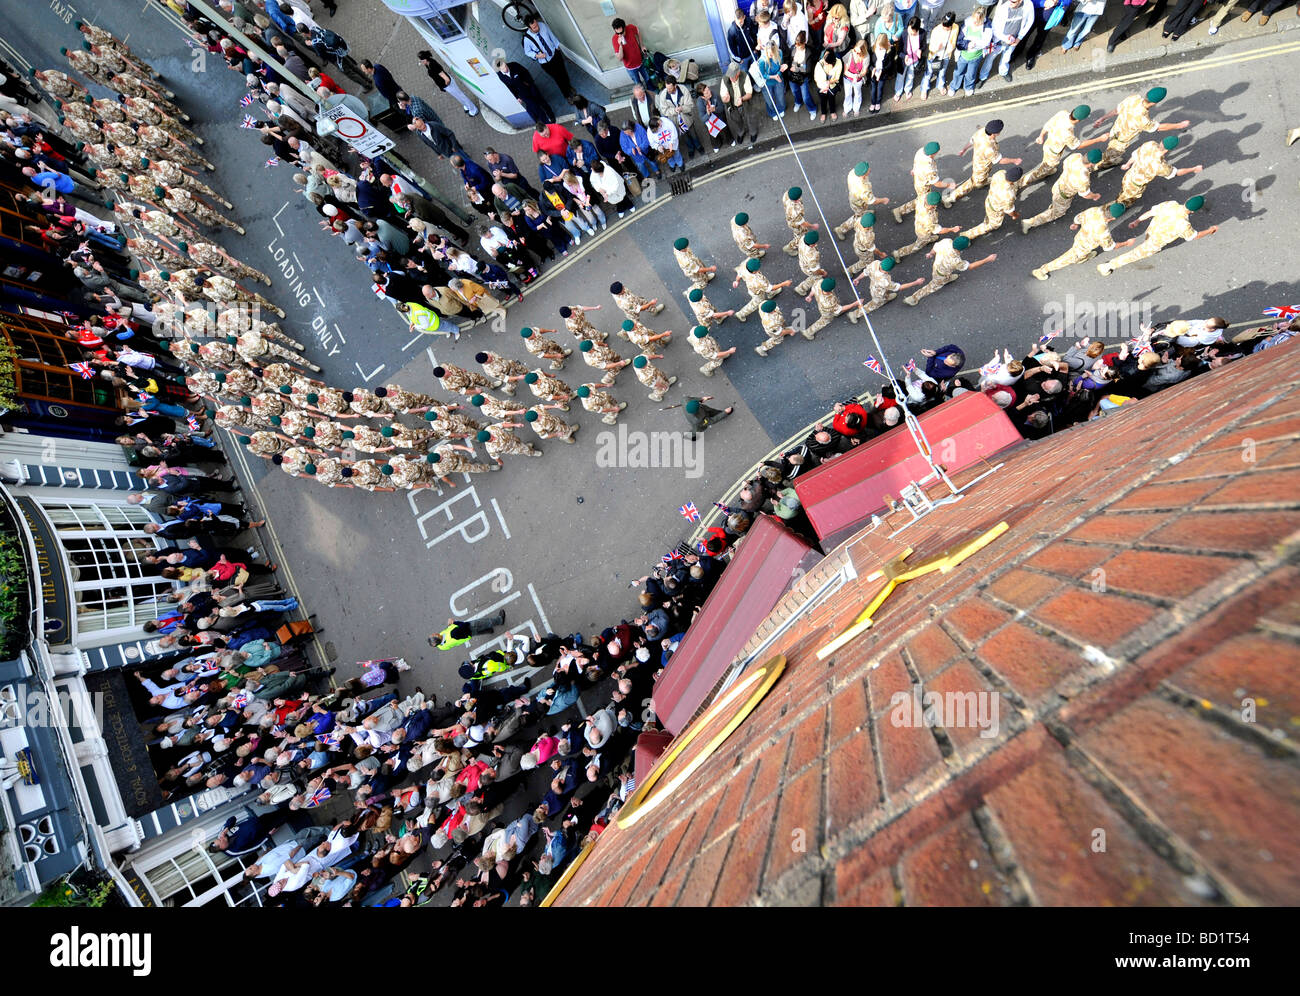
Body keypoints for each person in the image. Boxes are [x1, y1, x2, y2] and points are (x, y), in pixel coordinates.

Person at [1097, 195, 1217, 276]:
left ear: (1187, 200)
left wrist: (1137, 221)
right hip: (1155, 243)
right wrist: (1210, 230)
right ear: (1193, 211)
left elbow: (1151, 212)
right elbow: (1194, 236)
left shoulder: (1171, 204)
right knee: (1133, 255)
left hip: (1150, 231)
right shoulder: (1183, 224)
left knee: (1143, 244)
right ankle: (1107, 266)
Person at [904, 236, 996, 305]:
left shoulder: (947, 241)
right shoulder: (956, 260)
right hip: (941, 275)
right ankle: (913, 298)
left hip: (937, 266)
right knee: (932, 287)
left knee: (943, 276)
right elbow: (970, 266)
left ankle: (947, 279)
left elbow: (935, 248)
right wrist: (987, 259)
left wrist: (931, 254)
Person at [522, 13, 574, 99]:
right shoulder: (527, 39)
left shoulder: (542, 25)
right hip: (546, 63)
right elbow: (527, 52)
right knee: (558, 78)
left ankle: (569, 86)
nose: (537, 28)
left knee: (563, 72)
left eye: (536, 25)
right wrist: (537, 56)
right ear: (529, 28)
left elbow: (551, 35)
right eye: (534, 27)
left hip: (555, 54)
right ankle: (567, 95)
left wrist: (557, 46)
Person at [416, 49, 478, 117]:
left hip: (449, 85)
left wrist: (446, 85)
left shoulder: (433, 65)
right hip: (447, 86)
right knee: (459, 96)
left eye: (421, 61)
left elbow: (447, 79)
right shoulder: (428, 63)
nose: (420, 62)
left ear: (425, 59)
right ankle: (467, 106)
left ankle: (473, 110)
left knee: (461, 96)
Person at [495, 59, 554, 125]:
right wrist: (517, 97)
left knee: (541, 101)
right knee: (535, 108)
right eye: (503, 68)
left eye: (505, 66)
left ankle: (551, 115)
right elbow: (509, 87)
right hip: (522, 94)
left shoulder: (514, 65)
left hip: (530, 87)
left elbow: (526, 72)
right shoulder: (500, 76)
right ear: (499, 69)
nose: (505, 69)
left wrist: (530, 83)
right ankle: (547, 123)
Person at [719, 61, 761, 149]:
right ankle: (741, 133)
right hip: (733, 106)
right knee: (736, 120)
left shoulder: (745, 76)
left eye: (733, 76)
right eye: (730, 75)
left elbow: (749, 94)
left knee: (750, 118)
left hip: (745, 103)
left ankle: (753, 133)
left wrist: (741, 99)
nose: (731, 78)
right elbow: (723, 96)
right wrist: (725, 99)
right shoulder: (724, 79)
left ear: (738, 73)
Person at [611, 18, 648, 87]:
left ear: (625, 28)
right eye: (617, 33)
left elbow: (638, 31)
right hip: (631, 68)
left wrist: (641, 45)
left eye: (621, 32)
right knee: (638, 84)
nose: (620, 35)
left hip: (640, 62)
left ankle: (651, 92)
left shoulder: (630, 28)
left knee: (648, 79)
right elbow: (620, 58)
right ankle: (643, 95)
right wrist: (620, 45)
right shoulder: (615, 39)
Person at [815, 47, 844, 120]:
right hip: (821, 86)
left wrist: (829, 82)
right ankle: (823, 112)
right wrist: (823, 86)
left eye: (826, 63)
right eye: (824, 59)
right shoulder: (820, 63)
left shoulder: (838, 62)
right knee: (822, 99)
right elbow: (816, 77)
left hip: (832, 86)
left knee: (832, 99)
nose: (824, 62)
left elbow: (837, 77)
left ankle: (832, 111)